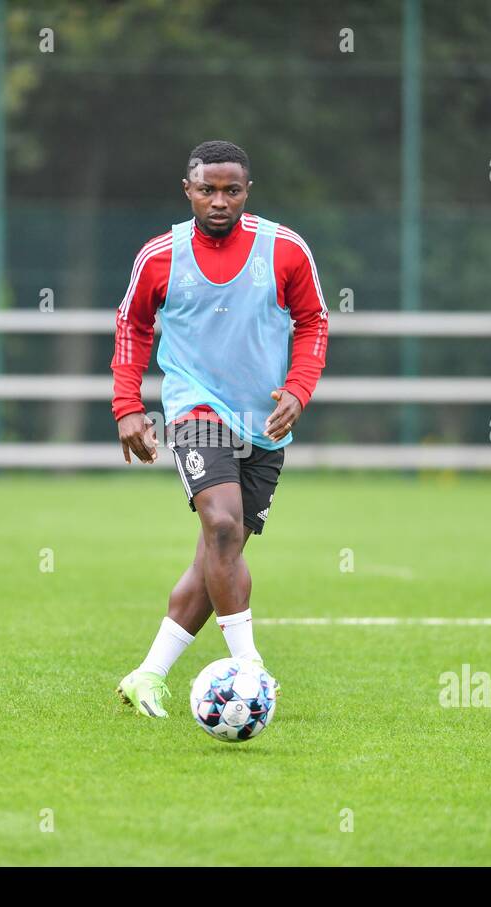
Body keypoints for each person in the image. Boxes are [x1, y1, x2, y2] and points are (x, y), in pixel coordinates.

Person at [111, 140, 328, 716]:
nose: (218, 200)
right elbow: (131, 326)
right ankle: (250, 669)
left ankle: (148, 675)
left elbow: (313, 323)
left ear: (247, 192)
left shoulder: (285, 249)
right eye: (207, 189)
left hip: (266, 420)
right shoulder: (159, 256)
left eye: (231, 190)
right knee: (223, 526)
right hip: (195, 407)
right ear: (188, 191)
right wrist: (127, 405)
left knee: (216, 555)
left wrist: (299, 389)